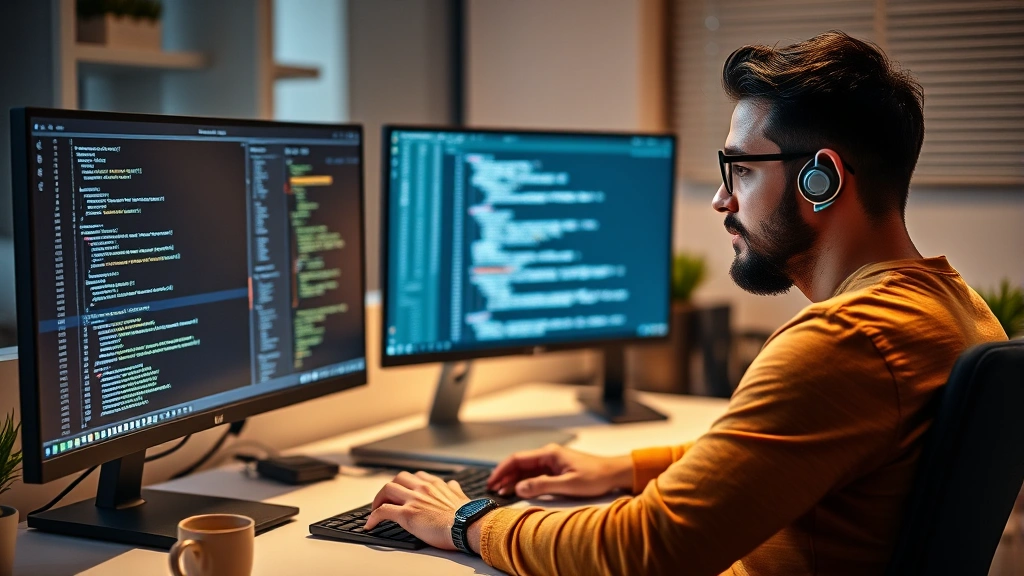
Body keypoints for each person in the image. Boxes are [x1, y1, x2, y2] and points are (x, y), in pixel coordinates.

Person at [363, 31, 1007, 575]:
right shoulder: (957, 310)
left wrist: (468, 520)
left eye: (742, 170)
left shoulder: (843, 340)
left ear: (822, 178)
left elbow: (646, 549)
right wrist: (621, 469)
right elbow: (786, 456)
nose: (722, 200)